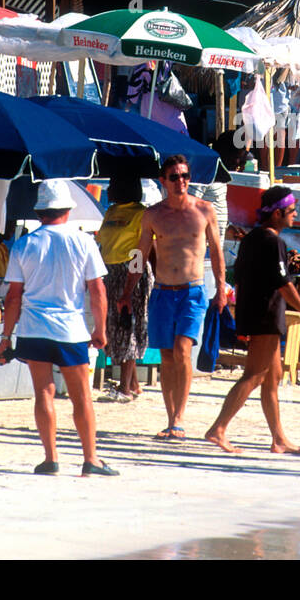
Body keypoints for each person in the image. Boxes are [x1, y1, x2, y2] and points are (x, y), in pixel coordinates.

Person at [0, 179, 117, 476]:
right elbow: (98, 291)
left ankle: (51, 458)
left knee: (44, 393)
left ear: (40, 213)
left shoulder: (24, 244)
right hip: (70, 329)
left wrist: (5, 337)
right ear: (68, 210)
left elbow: (13, 297)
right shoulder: (84, 241)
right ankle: (91, 459)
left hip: (34, 328)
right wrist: (100, 329)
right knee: (81, 397)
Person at [205, 186, 300, 454]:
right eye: (291, 211)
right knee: (255, 375)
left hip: (253, 312)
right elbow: (284, 284)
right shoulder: (272, 241)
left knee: (272, 377)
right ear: (278, 213)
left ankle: (278, 438)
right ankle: (218, 428)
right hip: (265, 316)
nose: (294, 215)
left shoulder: (252, 238)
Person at [122, 154, 225, 441]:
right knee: (167, 357)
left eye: (185, 176)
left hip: (193, 291)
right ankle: (170, 419)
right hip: (162, 293)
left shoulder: (205, 210)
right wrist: (127, 290)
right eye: (175, 176)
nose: (181, 181)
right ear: (163, 181)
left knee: (182, 351)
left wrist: (221, 287)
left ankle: (179, 418)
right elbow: (139, 255)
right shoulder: (153, 215)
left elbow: (216, 252)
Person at [97, 174, 151, 400]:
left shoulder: (142, 213)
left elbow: (142, 249)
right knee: (114, 325)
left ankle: (124, 388)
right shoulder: (110, 211)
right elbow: (103, 242)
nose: (108, 189)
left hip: (131, 271)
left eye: (112, 184)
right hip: (110, 271)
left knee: (127, 325)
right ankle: (135, 385)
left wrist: (132, 282)